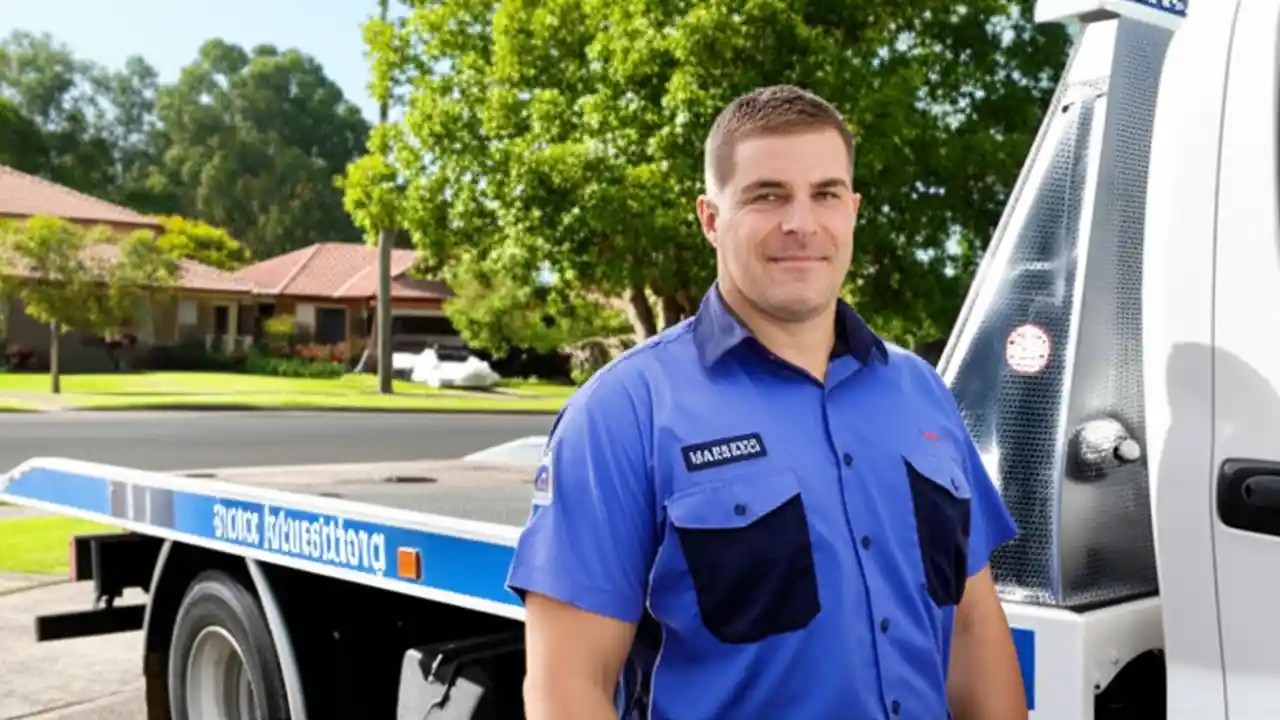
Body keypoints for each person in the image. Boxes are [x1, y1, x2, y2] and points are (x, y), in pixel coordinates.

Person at [505, 84, 1026, 719]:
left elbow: (971, 625)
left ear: (853, 210)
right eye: (767, 195)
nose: (801, 223)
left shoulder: (920, 393)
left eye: (825, 194)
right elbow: (568, 688)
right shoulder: (625, 413)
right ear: (710, 218)